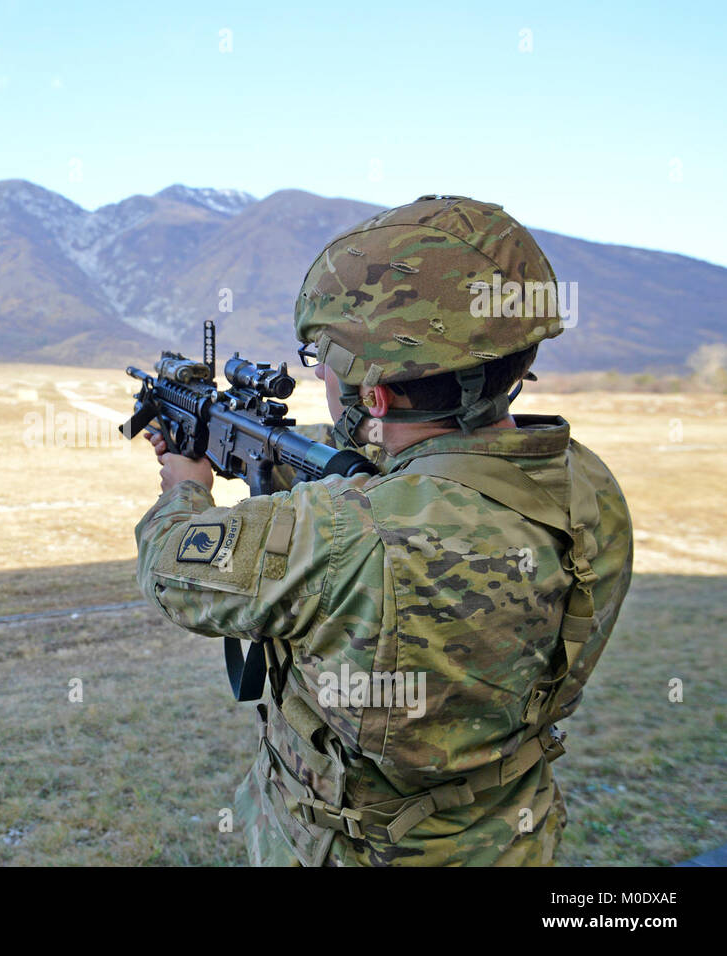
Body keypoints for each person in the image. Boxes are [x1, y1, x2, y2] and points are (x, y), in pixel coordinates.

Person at [135, 196, 633, 866]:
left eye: (324, 359)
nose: (315, 372)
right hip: (510, 836)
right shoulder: (584, 483)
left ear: (374, 396)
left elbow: (170, 569)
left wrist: (185, 485)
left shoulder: (348, 534)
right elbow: (422, 478)